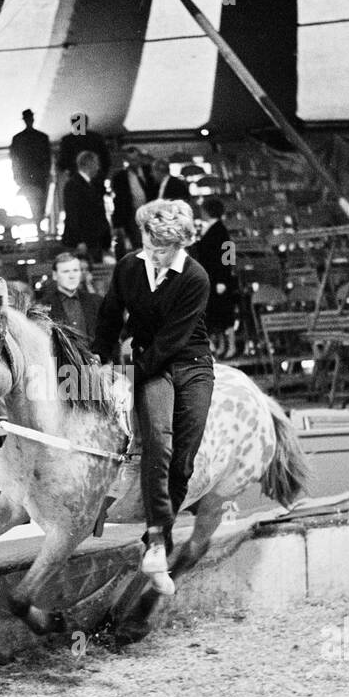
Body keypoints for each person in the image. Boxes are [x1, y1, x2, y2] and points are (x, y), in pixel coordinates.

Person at [92, 199, 213, 576]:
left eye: (164, 249)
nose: (155, 255)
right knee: (158, 441)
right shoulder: (129, 267)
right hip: (148, 361)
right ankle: (157, 538)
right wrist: (100, 360)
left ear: (181, 245)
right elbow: (111, 315)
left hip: (189, 363)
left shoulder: (195, 278)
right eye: (150, 245)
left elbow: (172, 342)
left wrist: (129, 378)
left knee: (183, 458)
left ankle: (160, 532)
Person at [191, 197, 240, 359]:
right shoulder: (210, 230)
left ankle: (231, 345)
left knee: (225, 316)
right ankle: (221, 345)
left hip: (220, 280)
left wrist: (223, 280)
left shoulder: (220, 231)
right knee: (214, 315)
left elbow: (228, 257)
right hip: (211, 279)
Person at [39, 251, 101, 352]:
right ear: (55, 275)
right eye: (66, 271)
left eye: (75, 270)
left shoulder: (96, 301)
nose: (72, 276)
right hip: (60, 365)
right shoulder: (42, 307)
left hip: (95, 364)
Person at [61, 150, 110, 256]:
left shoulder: (91, 184)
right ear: (89, 164)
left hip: (93, 239)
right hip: (82, 241)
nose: (98, 168)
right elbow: (73, 214)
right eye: (96, 164)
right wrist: (79, 240)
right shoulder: (73, 185)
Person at [10, 109, 52, 227]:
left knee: (38, 204)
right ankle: (38, 226)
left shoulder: (21, 138)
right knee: (35, 204)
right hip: (30, 178)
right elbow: (15, 161)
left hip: (35, 178)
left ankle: (39, 226)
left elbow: (47, 159)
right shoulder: (21, 139)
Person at [111, 146, 151, 256]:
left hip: (150, 214)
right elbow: (118, 201)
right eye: (131, 160)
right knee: (138, 244)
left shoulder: (149, 172)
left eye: (136, 159)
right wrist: (118, 223)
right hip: (132, 215)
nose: (135, 162)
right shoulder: (120, 177)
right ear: (127, 160)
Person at [57, 116, 111, 180]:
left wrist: (67, 172)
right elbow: (106, 158)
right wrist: (103, 174)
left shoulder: (67, 140)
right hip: (96, 176)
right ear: (86, 123)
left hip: (76, 177)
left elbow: (62, 162)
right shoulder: (96, 137)